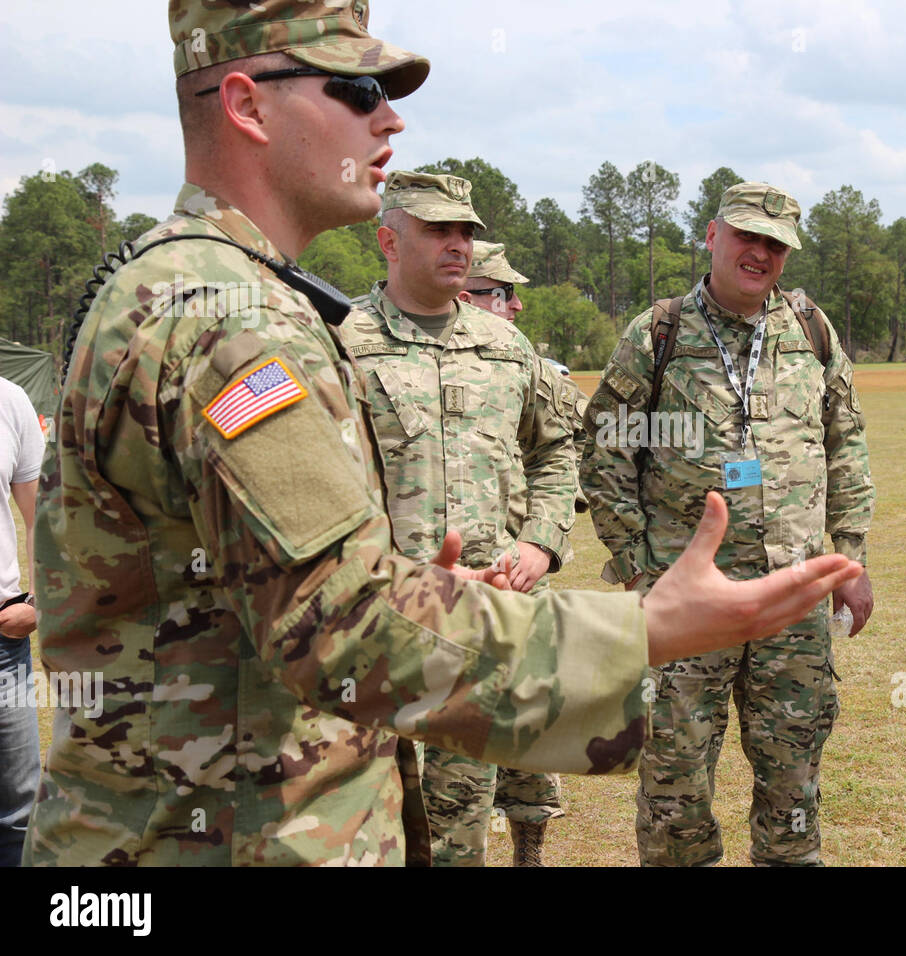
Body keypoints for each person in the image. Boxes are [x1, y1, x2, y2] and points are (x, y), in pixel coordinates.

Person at [23, 1, 861, 867]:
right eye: (357, 89)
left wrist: (423, 580)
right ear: (246, 105)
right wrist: (643, 629)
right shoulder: (230, 322)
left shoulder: (206, 287)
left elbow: (254, 595)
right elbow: (343, 624)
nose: (391, 118)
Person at [581, 182, 876, 866]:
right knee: (675, 780)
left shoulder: (810, 330)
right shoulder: (660, 332)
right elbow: (605, 455)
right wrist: (639, 572)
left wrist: (852, 559)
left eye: (775, 244)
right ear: (712, 235)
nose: (760, 253)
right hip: (689, 604)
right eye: (747, 236)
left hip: (791, 601)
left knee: (794, 777)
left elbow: (847, 441)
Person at [341, 184, 574, 866]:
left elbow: (558, 448)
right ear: (389, 240)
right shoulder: (342, 342)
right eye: (439, 229)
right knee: (368, 813)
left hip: (491, 614)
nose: (458, 244)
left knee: (463, 817)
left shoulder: (505, 345)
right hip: (379, 619)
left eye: (466, 231)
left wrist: (542, 540)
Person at [460, 240, 589, 514]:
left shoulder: (524, 363)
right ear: (464, 300)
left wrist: (549, 511)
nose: (517, 305)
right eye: (504, 293)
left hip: (519, 550)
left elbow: (596, 425)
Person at [0, 377, 42, 867]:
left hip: (3, 642)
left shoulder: (10, 400)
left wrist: (39, 604)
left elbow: (42, 514)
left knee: (17, 809)